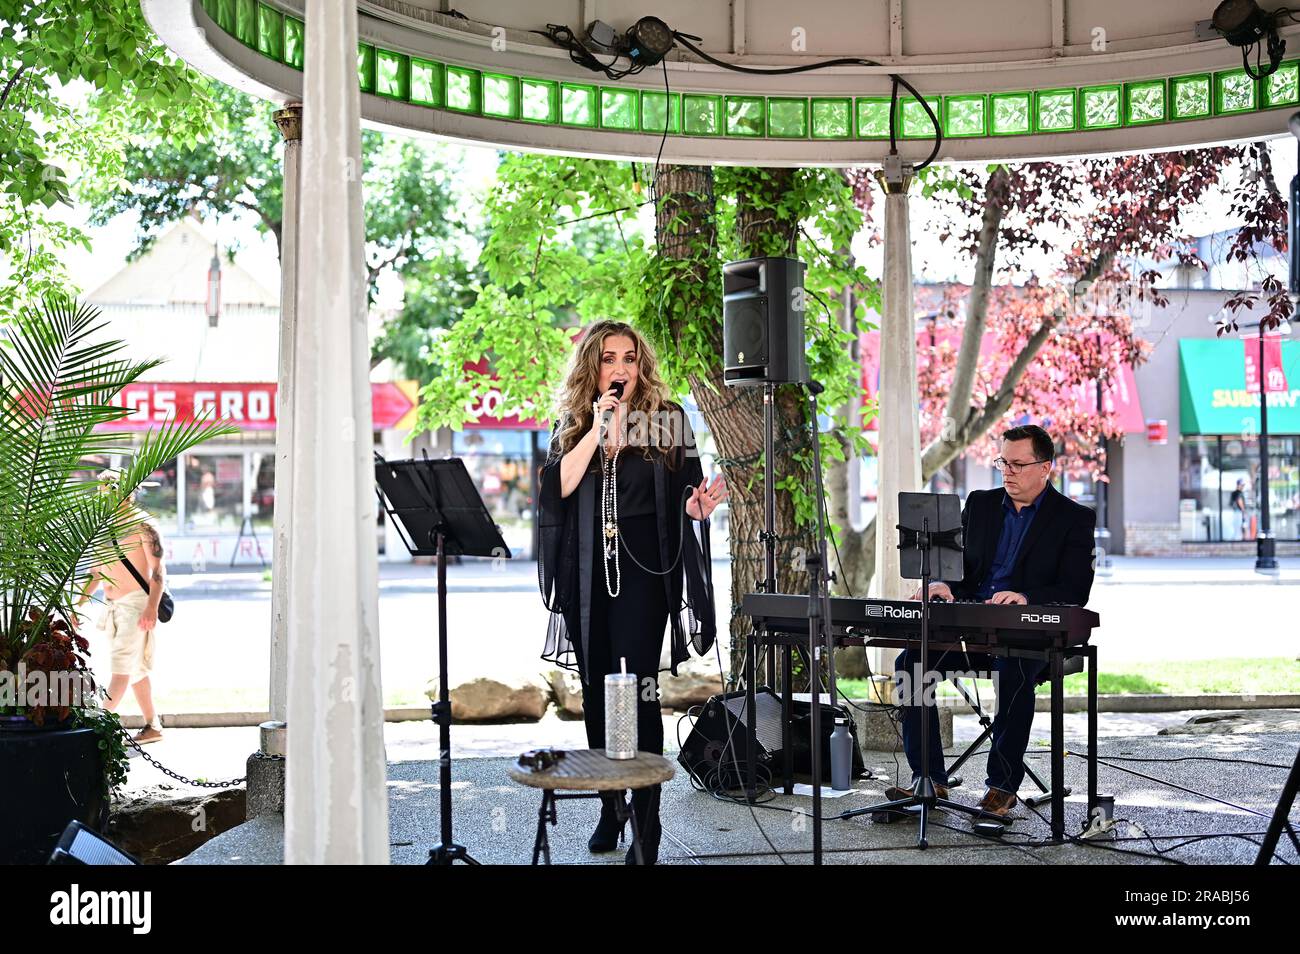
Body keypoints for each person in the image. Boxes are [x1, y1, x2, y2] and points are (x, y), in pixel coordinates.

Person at [537, 320, 727, 864]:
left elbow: (688, 490)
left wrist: (696, 508)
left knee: (638, 691)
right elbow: (557, 488)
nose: (620, 368)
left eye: (629, 358)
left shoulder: (668, 419)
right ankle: (610, 802)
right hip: (587, 574)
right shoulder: (575, 421)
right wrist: (599, 430)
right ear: (592, 368)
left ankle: (647, 822)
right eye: (608, 359)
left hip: (645, 573)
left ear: (641, 365)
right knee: (598, 693)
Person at [895, 424, 1095, 822]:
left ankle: (1001, 788)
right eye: (1004, 462)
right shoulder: (980, 505)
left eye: (1018, 464)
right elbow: (959, 569)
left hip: (1028, 635)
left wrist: (1026, 597)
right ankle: (928, 779)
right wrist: (943, 584)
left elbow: (1076, 589)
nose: (1008, 472)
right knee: (911, 664)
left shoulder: (1074, 518)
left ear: (1045, 468)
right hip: (970, 629)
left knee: (1013, 669)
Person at [78, 470, 168, 744]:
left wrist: (151, 607)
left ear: (128, 492)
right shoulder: (103, 528)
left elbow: (158, 570)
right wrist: (77, 604)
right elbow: (96, 573)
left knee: (121, 668)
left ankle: (94, 728)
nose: (107, 493)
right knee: (136, 669)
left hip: (136, 606)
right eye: (103, 489)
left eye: (113, 488)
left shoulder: (144, 526)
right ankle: (153, 726)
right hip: (113, 607)